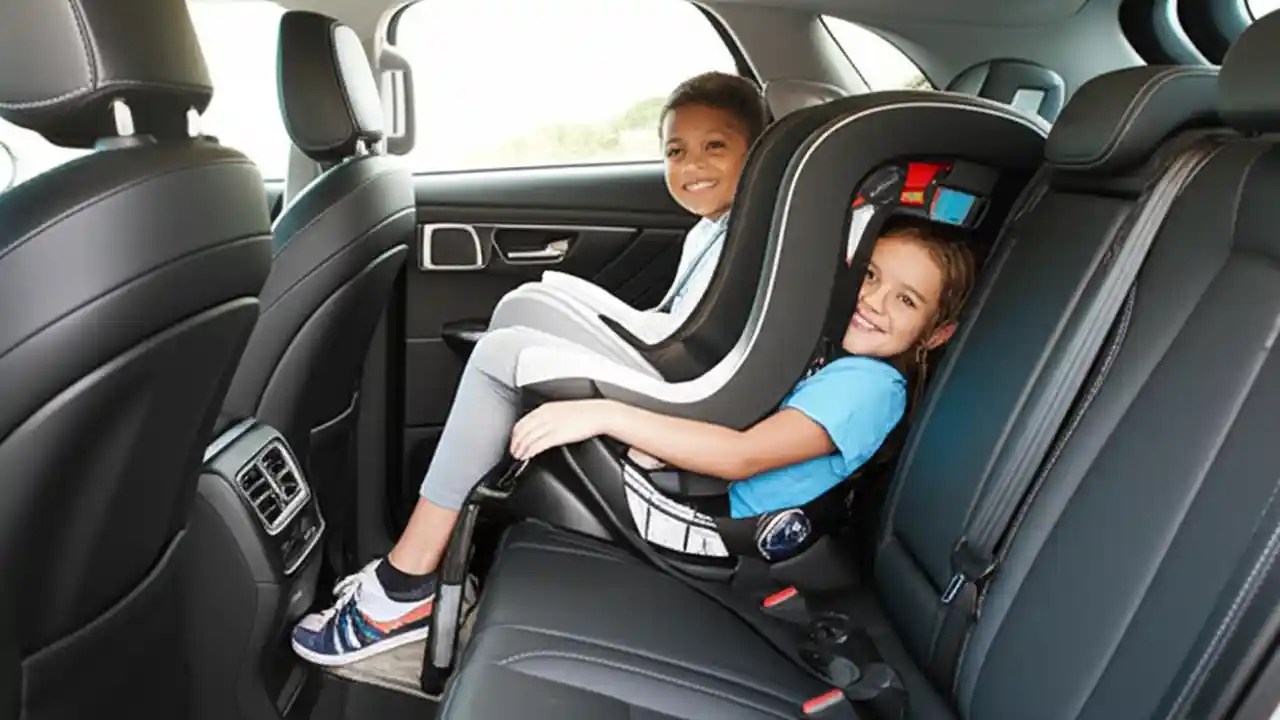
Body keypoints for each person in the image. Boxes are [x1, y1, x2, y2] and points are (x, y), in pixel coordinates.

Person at [290, 216, 978, 666]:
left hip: (713, 529)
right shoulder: (848, 363)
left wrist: (609, 418)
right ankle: (420, 570)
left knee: (507, 362)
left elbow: (745, 457)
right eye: (872, 277)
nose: (874, 301)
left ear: (937, 334)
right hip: (700, 487)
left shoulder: (870, 389)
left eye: (906, 301)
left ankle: (406, 585)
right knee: (514, 346)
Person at [484, 70, 769, 359]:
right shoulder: (704, 231)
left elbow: (701, 339)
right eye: (675, 152)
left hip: (683, 372)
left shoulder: (751, 236)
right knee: (524, 303)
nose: (692, 164)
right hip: (667, 348)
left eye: (714, 146)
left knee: (502, 346)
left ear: (757, 152)